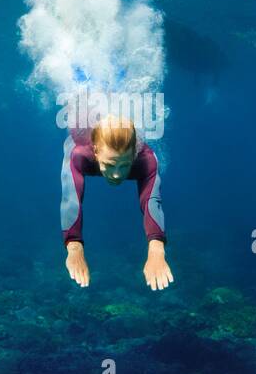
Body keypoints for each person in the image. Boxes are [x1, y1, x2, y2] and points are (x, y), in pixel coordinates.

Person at [61, 115, 173, 290]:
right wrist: (74, 247)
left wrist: (157, 250)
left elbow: (152, 201)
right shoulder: (80, 154)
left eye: (125, 165)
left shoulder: (145, 160)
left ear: (134, 154)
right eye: (110, 164)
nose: (117, 174)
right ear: (96, 152)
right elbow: (70, 198)